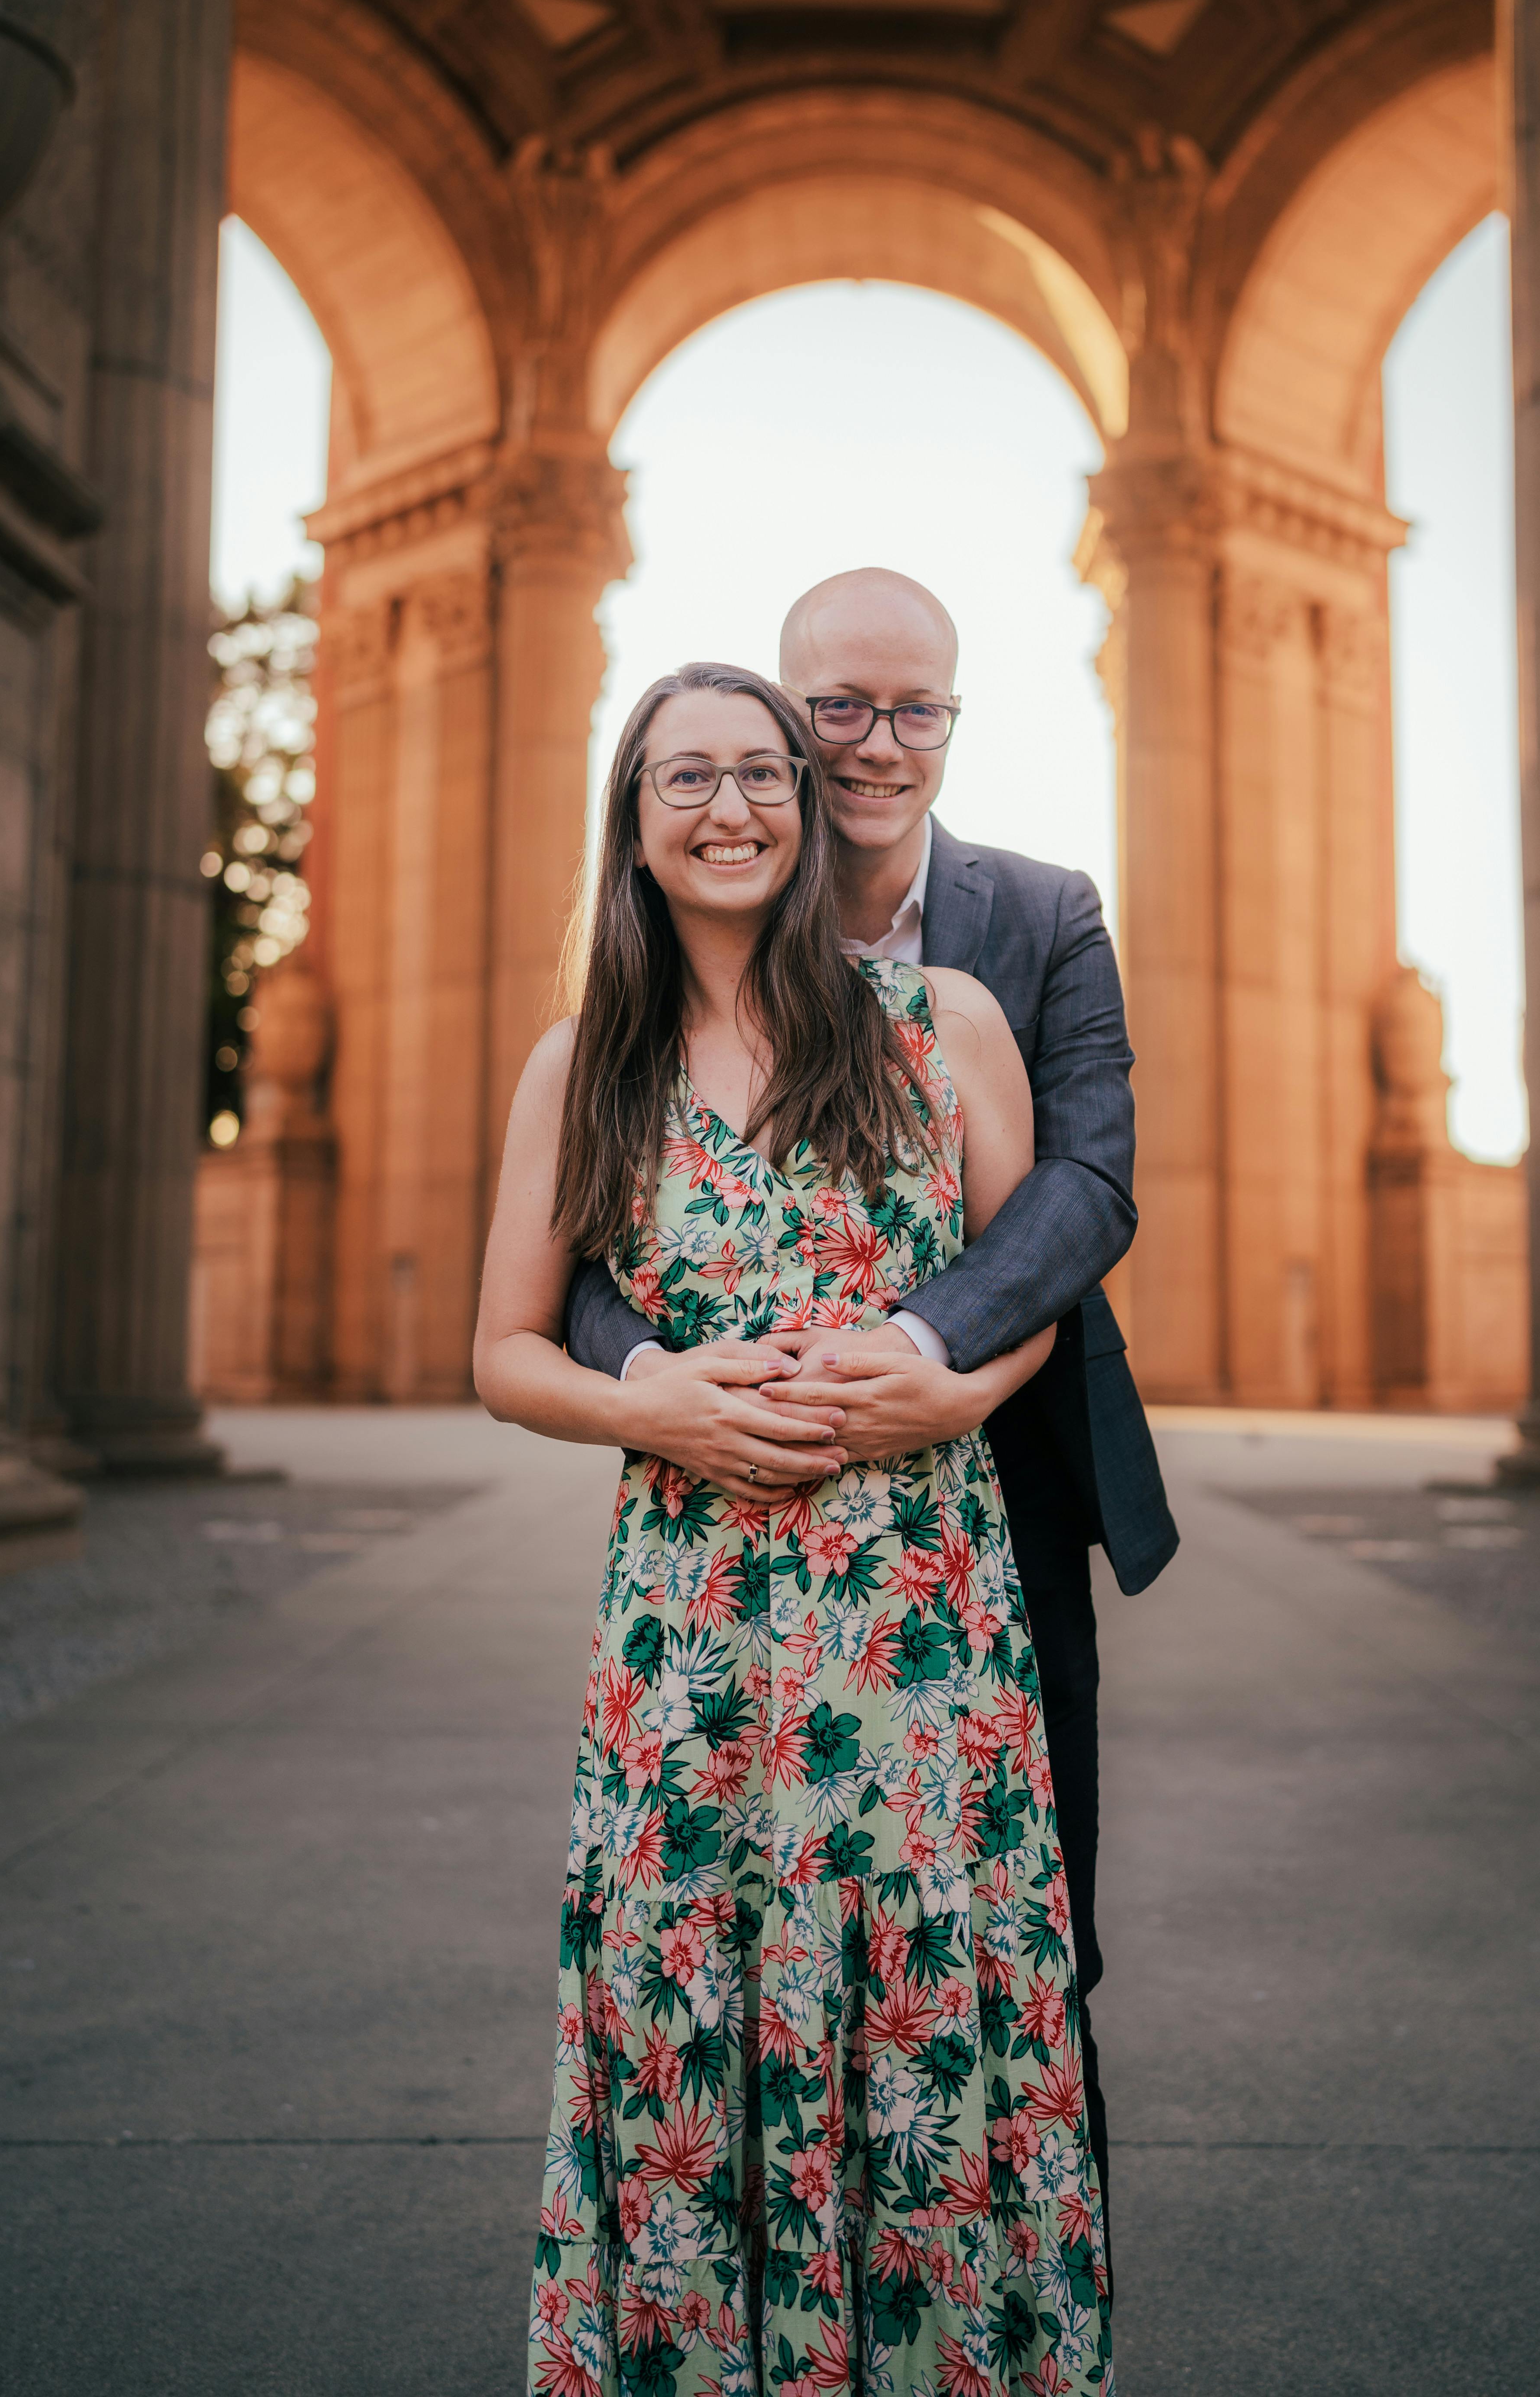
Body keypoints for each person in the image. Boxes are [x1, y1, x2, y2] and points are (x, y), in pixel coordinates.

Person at [476, 661, 1114, 2397]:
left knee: (915, 1994)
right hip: (691, 1621)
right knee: (691, 1992)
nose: (732, 808)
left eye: (763, 772)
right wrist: (650, 1403)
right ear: (635, 817)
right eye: (686, 777)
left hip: (917, 1612)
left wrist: (958, 1394)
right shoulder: (581, 1064)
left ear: (807, 801)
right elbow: (506, 1349)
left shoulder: (946, 1022)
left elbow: (1030, 1284)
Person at [565, 570, 1177, 2254]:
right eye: (835, 707)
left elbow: (1087, 1185)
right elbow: (596, 1220)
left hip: (996, 1496)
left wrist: (929, 1353)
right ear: (779, 713)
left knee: (1018, 1935)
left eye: (915, 709)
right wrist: (655, 1382)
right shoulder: (703, 902)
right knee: (725, 1949)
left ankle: (1013, 2301)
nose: (874, 744)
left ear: (955, 720)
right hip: (727, 1517)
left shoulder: (1036, 918)